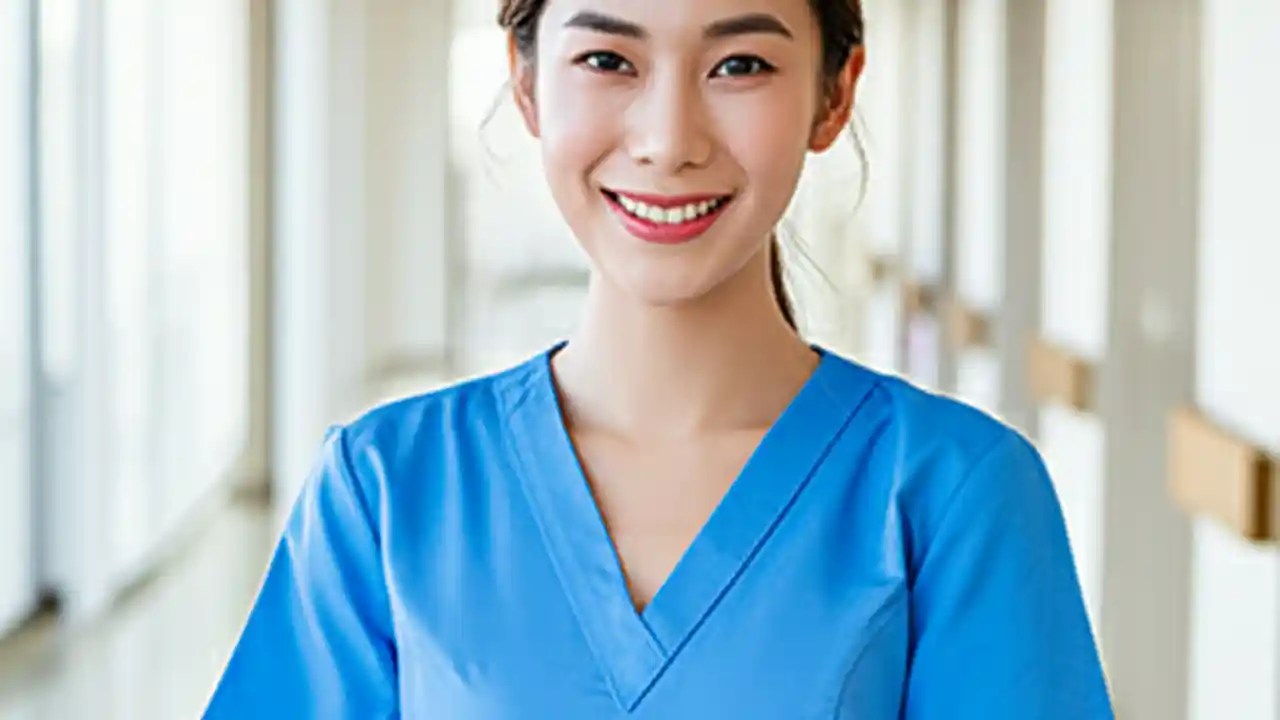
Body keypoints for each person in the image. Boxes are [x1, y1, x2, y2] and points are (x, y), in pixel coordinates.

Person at [204, 0, 1114, 717]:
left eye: (741, 64)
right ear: (525, 82)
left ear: (833, 95)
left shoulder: (954, 496)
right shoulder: (386, 491)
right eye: (608, 60)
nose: (669, 139)